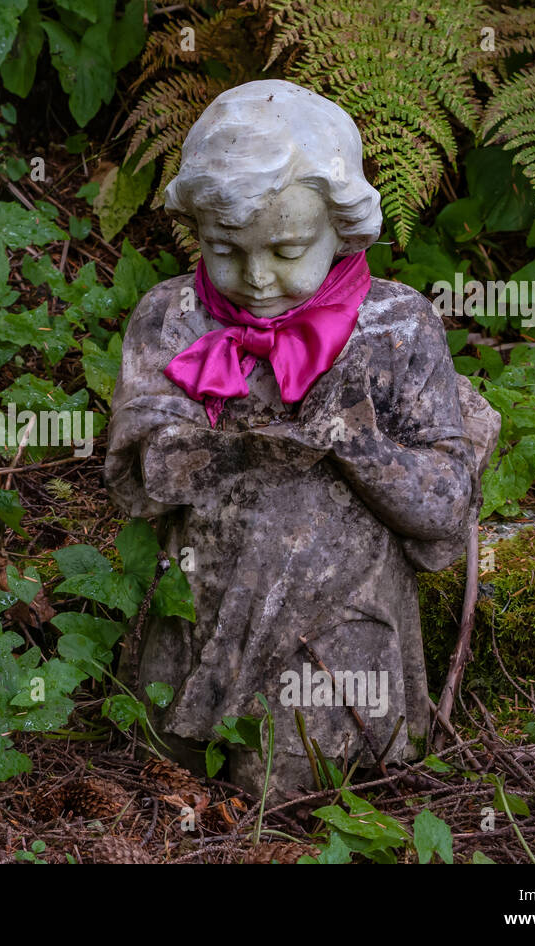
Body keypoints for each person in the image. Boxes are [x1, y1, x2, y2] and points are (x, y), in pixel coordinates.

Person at [105, 80, 500, 799]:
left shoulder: (396, 329)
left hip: (343, 626)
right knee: (171, 776)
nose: (257, 280)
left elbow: (446, 503)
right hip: (202, 612)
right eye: (226, 249)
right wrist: (241, 444)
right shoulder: (173, 318)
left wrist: (357, 445)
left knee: (308, 779)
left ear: (342, 227)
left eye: (288, 249)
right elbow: (145, 477)